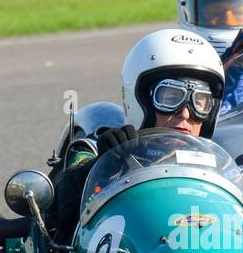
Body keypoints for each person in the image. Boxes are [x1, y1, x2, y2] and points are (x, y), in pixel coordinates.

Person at [47, 29, 226, 242]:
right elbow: (54, 207)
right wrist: (102, 166)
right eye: (170, 97)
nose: (186, 113)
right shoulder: (100, 152)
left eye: (200, 102)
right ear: (141, 100)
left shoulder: (222, 169)